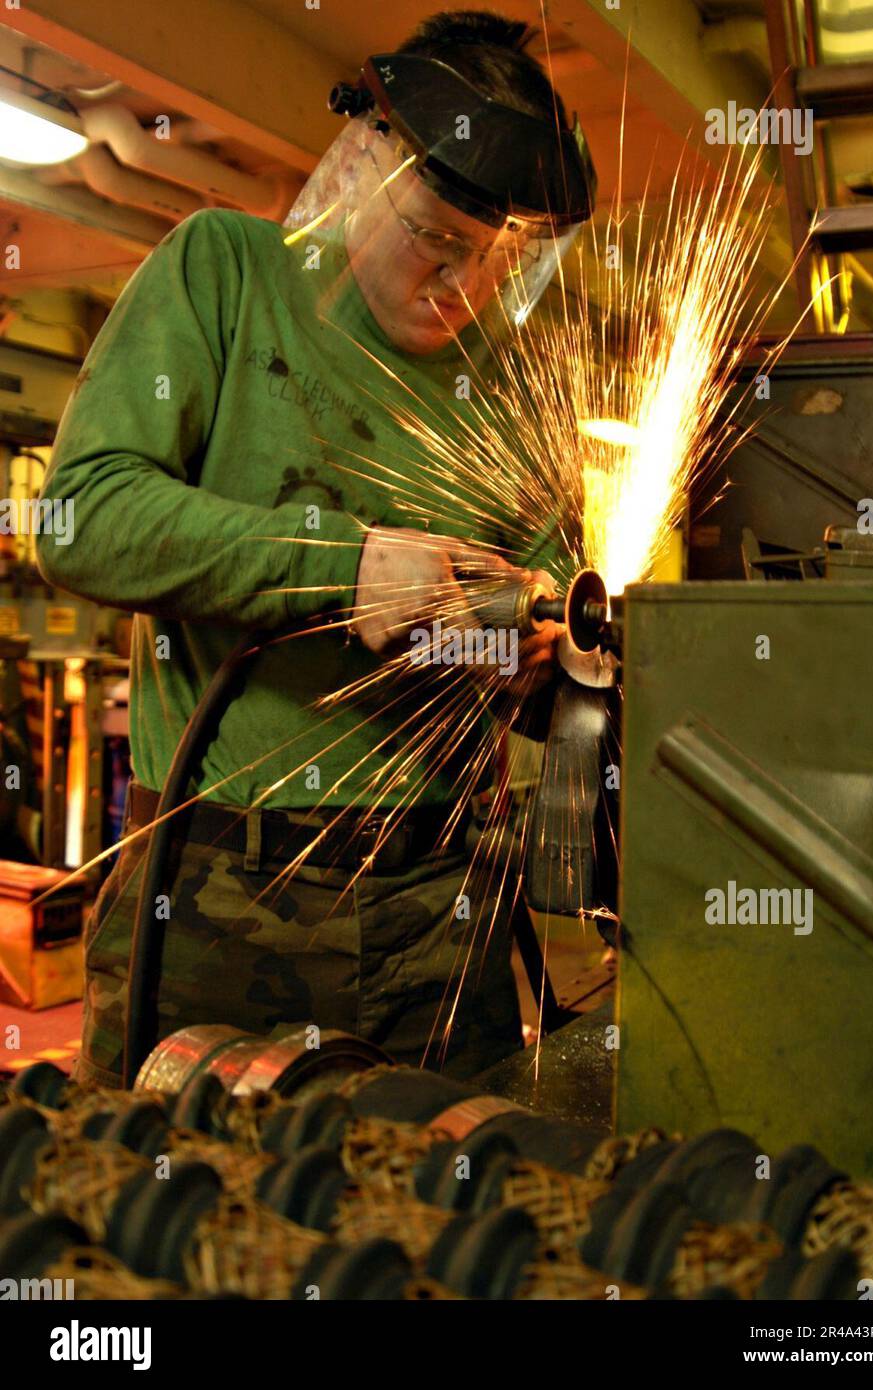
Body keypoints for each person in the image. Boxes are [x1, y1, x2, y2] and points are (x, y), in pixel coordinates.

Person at [35, 10, 596, 1087]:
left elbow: (533, 631)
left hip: (441, 905)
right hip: (213, 897)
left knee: (452, 1219)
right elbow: (85, 517)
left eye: (497, 258)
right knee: (179, 1214)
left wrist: (532, 664)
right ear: (371, 163)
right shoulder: (227, 274)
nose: (462, 282)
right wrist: (344, 568)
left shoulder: (516, 384)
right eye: (437, 238)